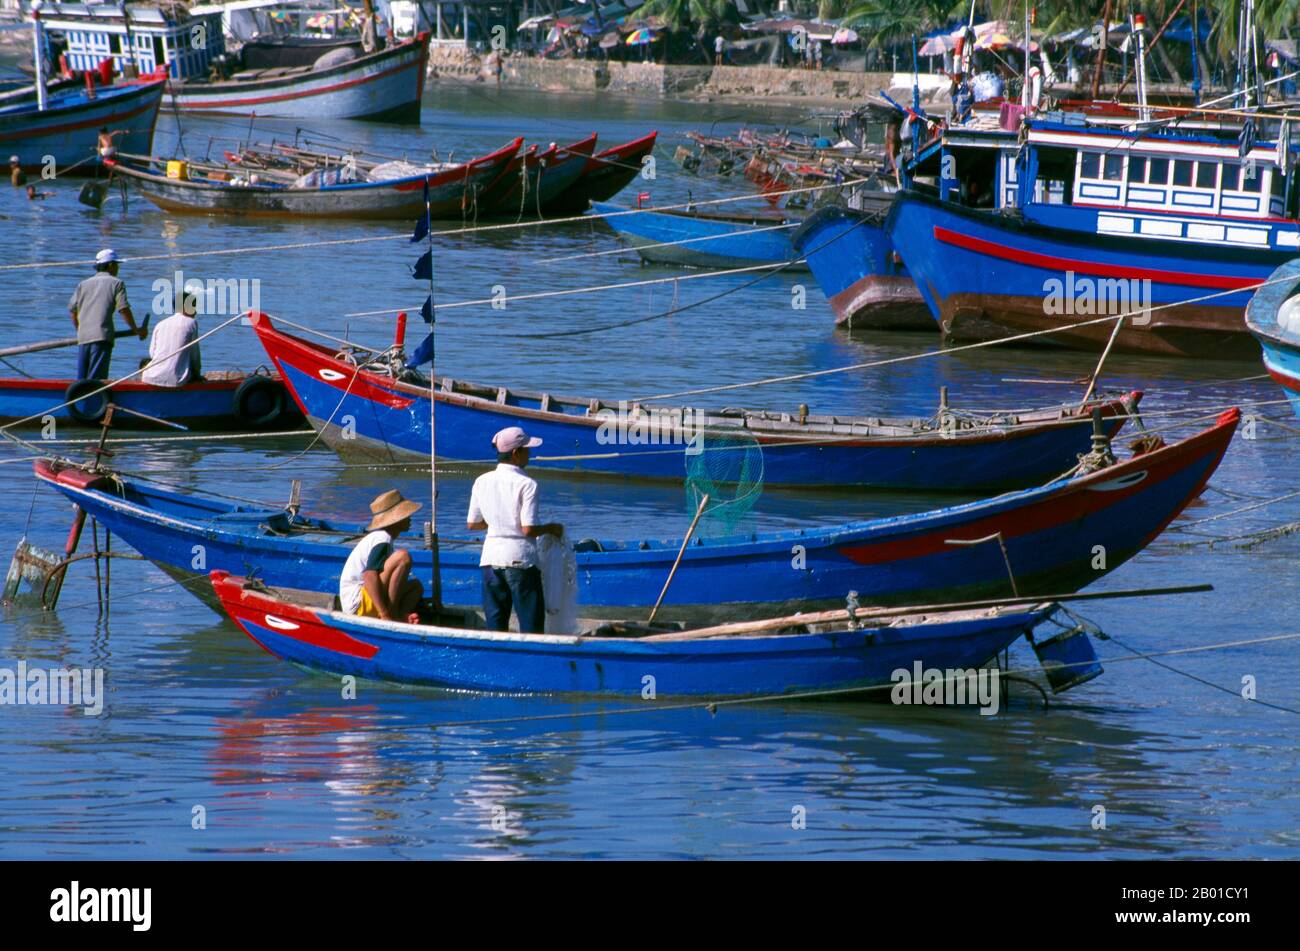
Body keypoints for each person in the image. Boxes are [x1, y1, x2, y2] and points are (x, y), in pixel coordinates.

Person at [466, 426, 564, 633]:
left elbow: (473, 524)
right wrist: (551, 528)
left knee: (495, 625)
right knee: (531, 627)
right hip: (520, 560)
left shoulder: (481, 481)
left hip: (490, 560)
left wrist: (498, 523)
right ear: (515, 453)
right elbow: (528, 529)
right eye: (526, 449)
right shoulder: (527, 484)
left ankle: (498, 661)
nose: (530, 453)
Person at [339, 489, 424, 623]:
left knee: (415, 587)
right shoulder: (382, 538)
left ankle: (398, 617)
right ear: (396, 519)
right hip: (358, 603)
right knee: (403, 557)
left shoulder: (384, 539)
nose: (410, 518)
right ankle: (390, 616)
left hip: (365, 599)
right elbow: (369, 576)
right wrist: (384, 613)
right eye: (406, 515)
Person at [68, 249, 144, 381]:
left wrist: (80, 329)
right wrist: (136, 329)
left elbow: (72, 311)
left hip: (84, 338)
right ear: (110, 265)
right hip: (101, 337)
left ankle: (79, 399)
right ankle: (97, 400)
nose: (117, 268)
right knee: (97, 379)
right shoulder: (116, 283)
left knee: (82, 379)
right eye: (116, 265)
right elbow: (123, 309)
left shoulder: (83, 284)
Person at [141, 285, 202, 386]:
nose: (196, 311)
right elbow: (195, 356)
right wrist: (197, 375)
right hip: (177, 379)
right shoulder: (191, 323)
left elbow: (152, 354)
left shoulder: (160, 325)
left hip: (150, 377)